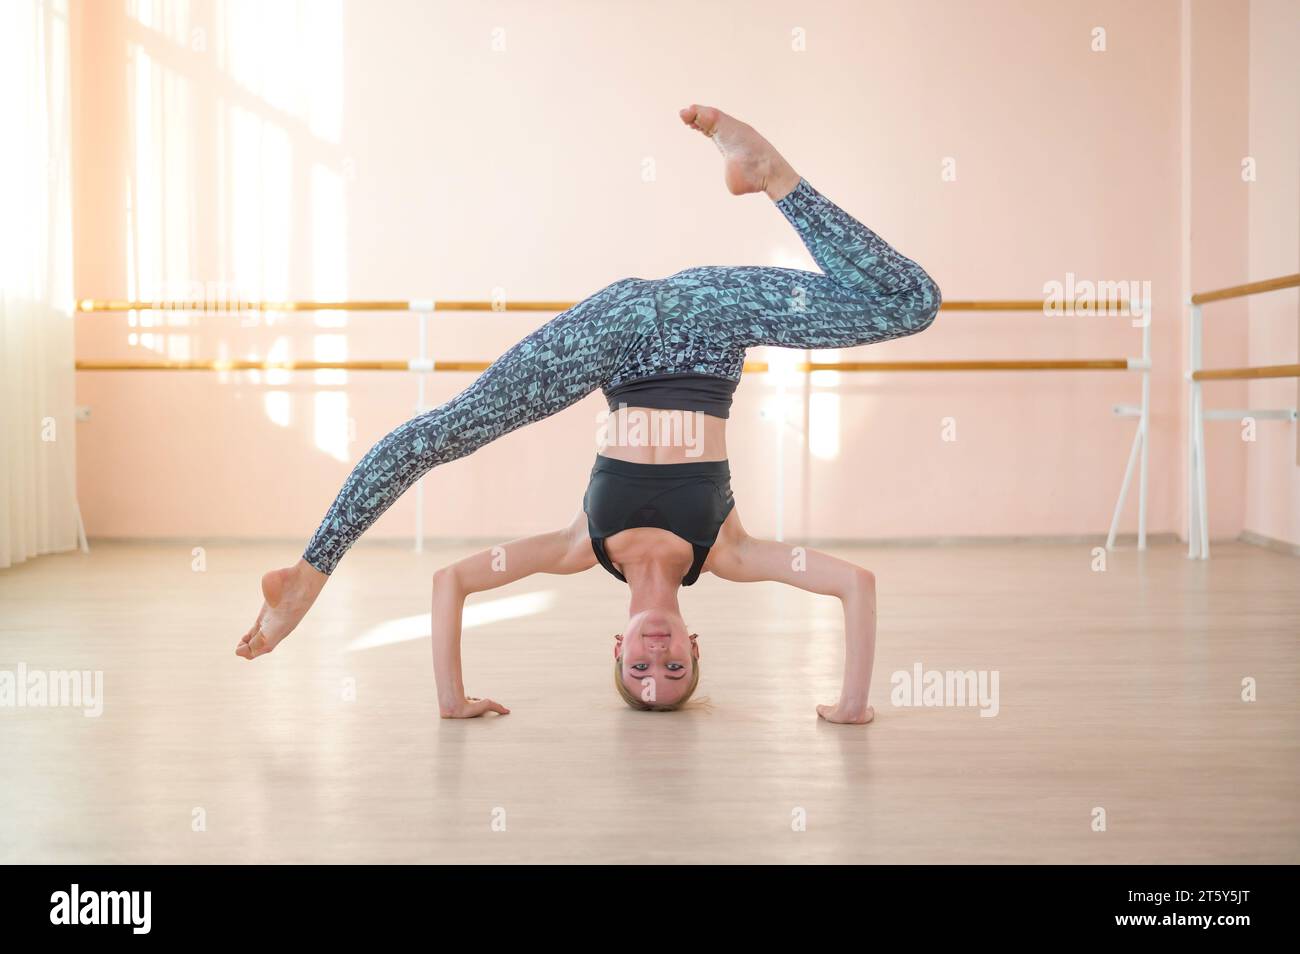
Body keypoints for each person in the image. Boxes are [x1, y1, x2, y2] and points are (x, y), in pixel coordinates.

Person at [237, 105, 941, 724]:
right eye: (674, 671)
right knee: (911, 303)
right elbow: (855, 583)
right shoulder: (729, 553)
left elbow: (452, 581)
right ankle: (769, 171)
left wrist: (452, 701)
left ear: (619, 646)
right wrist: (852, 705)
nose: (655, 660)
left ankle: (307, 577)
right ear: (695, 649)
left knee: (446, 431)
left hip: (615, 336)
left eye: (639, 671)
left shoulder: (582, 546)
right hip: (713, 318)